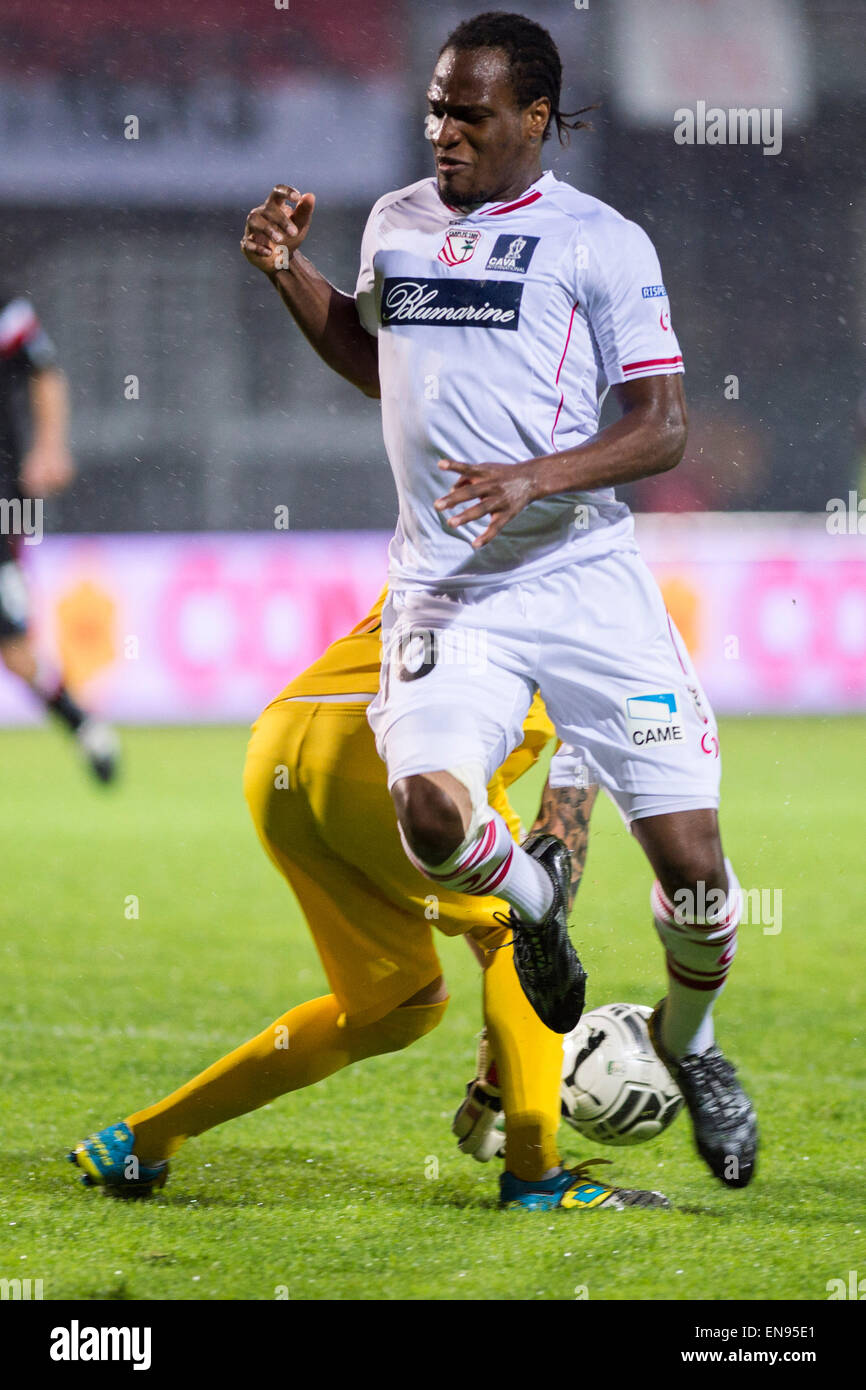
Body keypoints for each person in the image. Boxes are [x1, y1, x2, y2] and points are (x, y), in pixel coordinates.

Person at [234, 10, 757, 1199]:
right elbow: (383, 363)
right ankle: (535, 907)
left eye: (470, 113)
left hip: (580, 578)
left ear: (536, 118)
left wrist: (535, 474)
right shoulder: (397, 224)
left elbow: (660, 424)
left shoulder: (600, 242)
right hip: (445, 584)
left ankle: (689, 1043)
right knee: (430, 816)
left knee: (694, 870)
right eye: (433, 109)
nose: (443, 132)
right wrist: (289, 279)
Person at [69, 587, 670, 1212]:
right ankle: (537, 1179)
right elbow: (548, 873)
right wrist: (504, 1070)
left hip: (286, 745)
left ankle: (141, 1142)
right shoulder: (602, 614)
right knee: (523, 922)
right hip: (391, 756)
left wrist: (508, 1060)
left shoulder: (472, 537)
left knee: (397, 1006)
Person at [0, 291, 119, 782]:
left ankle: (82, 723)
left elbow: (44, 371)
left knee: (15, 648)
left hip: (3, 506)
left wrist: (49, 447)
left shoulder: (7, 310)